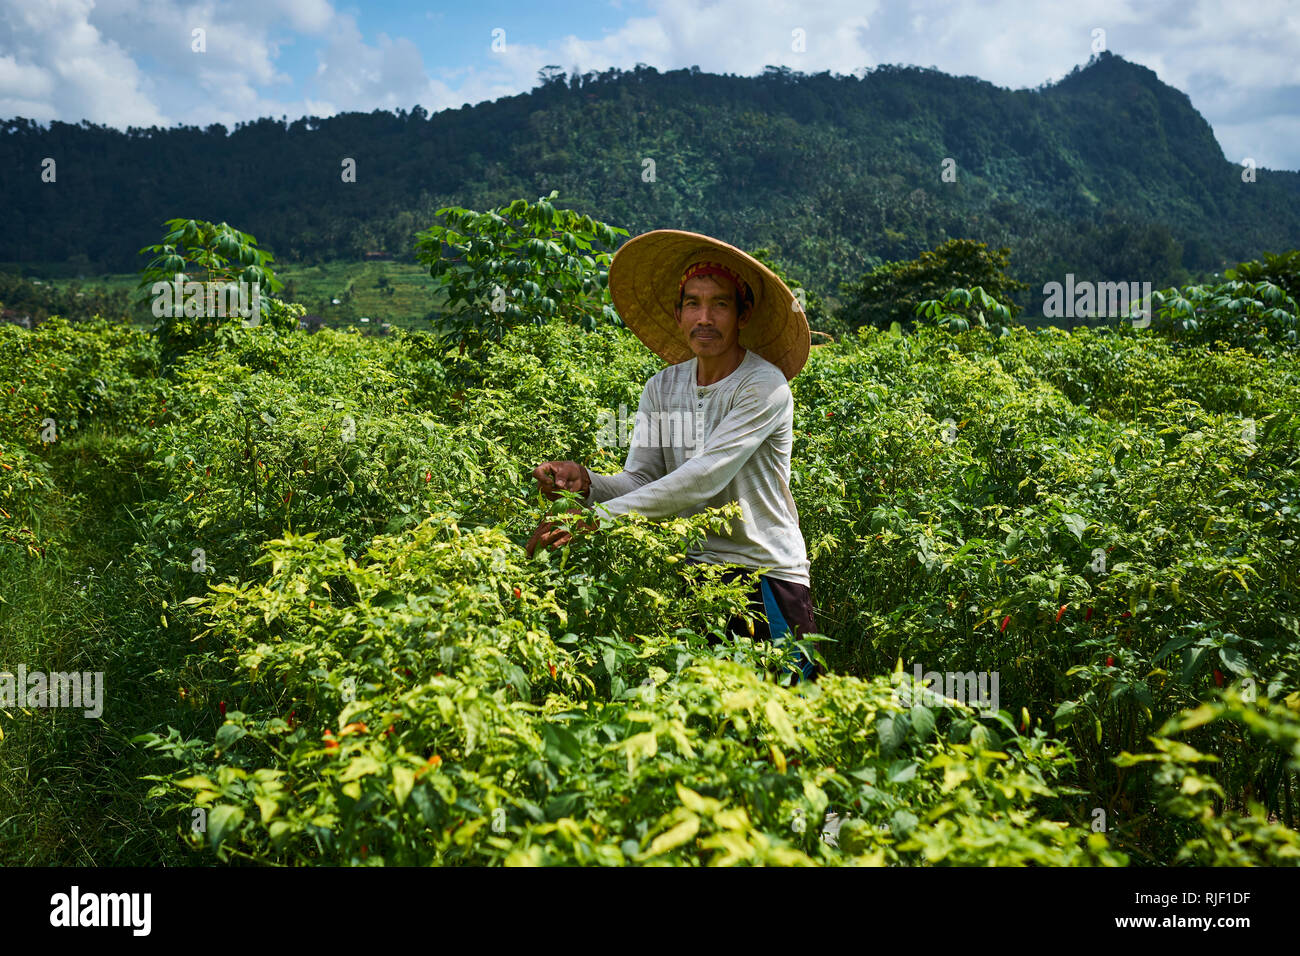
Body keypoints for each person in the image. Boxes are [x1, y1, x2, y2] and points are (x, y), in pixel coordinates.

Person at [526, 229, 822, 682]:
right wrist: (586, 485)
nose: (706, 317)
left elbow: (703, 478)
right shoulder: (662, 387)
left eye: (720, 304)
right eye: (693, 303)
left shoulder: (763, 386)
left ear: (742, 316)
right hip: (696, 577)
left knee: (789, 720)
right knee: (708, 727)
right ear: (679, 314)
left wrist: (597, 522)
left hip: (767, 576)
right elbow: (642, 480)